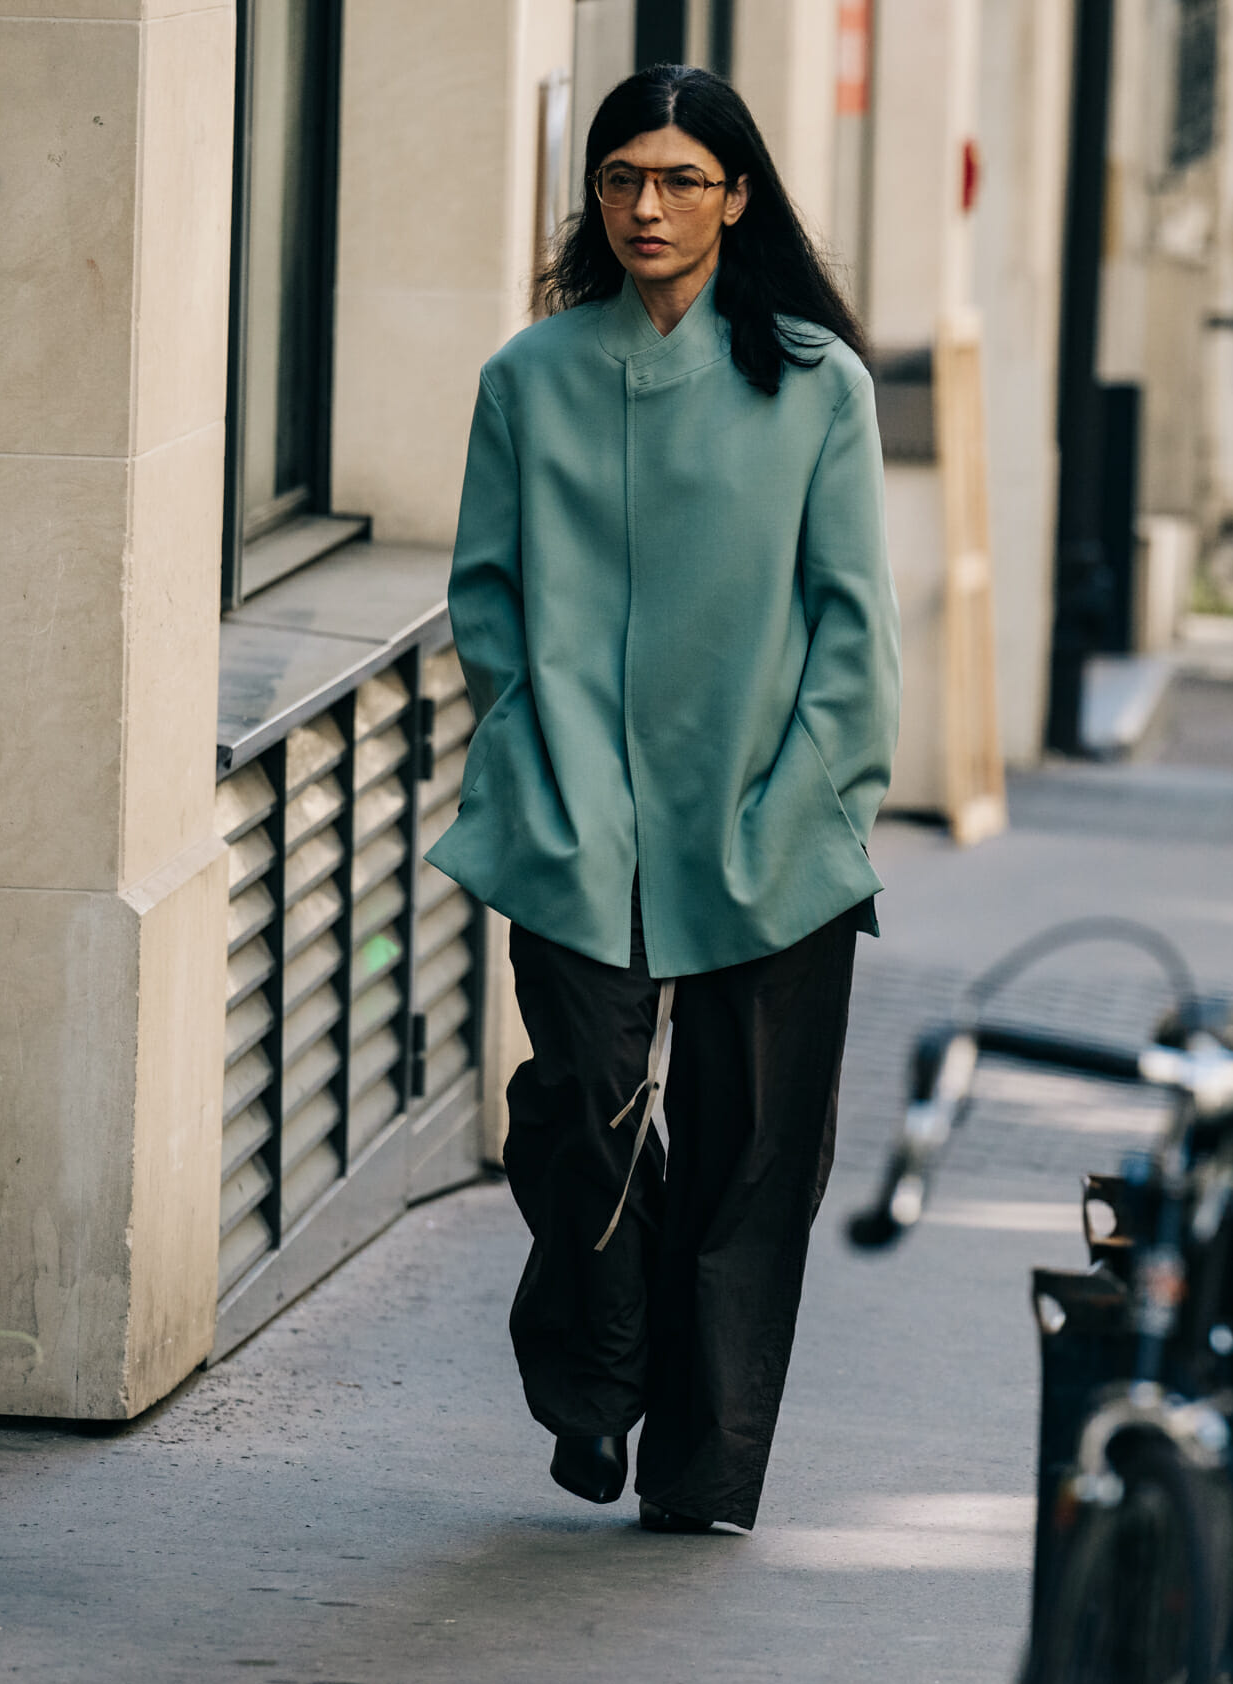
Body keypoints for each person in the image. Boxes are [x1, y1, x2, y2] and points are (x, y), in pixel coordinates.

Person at [429, 65, 900, 1535]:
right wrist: (531, 742)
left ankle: (704, 1470)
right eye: (621, 176)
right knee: (579, 1110)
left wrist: (808, 794)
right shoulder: (530, 378)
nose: (645, 205)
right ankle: (596, 1359)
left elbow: (852, 624)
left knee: (755, 1158)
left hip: (773, 822)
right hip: (575, 820)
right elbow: (486, 599)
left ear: (737, 196)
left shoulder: (818, 384)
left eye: (680, 180)